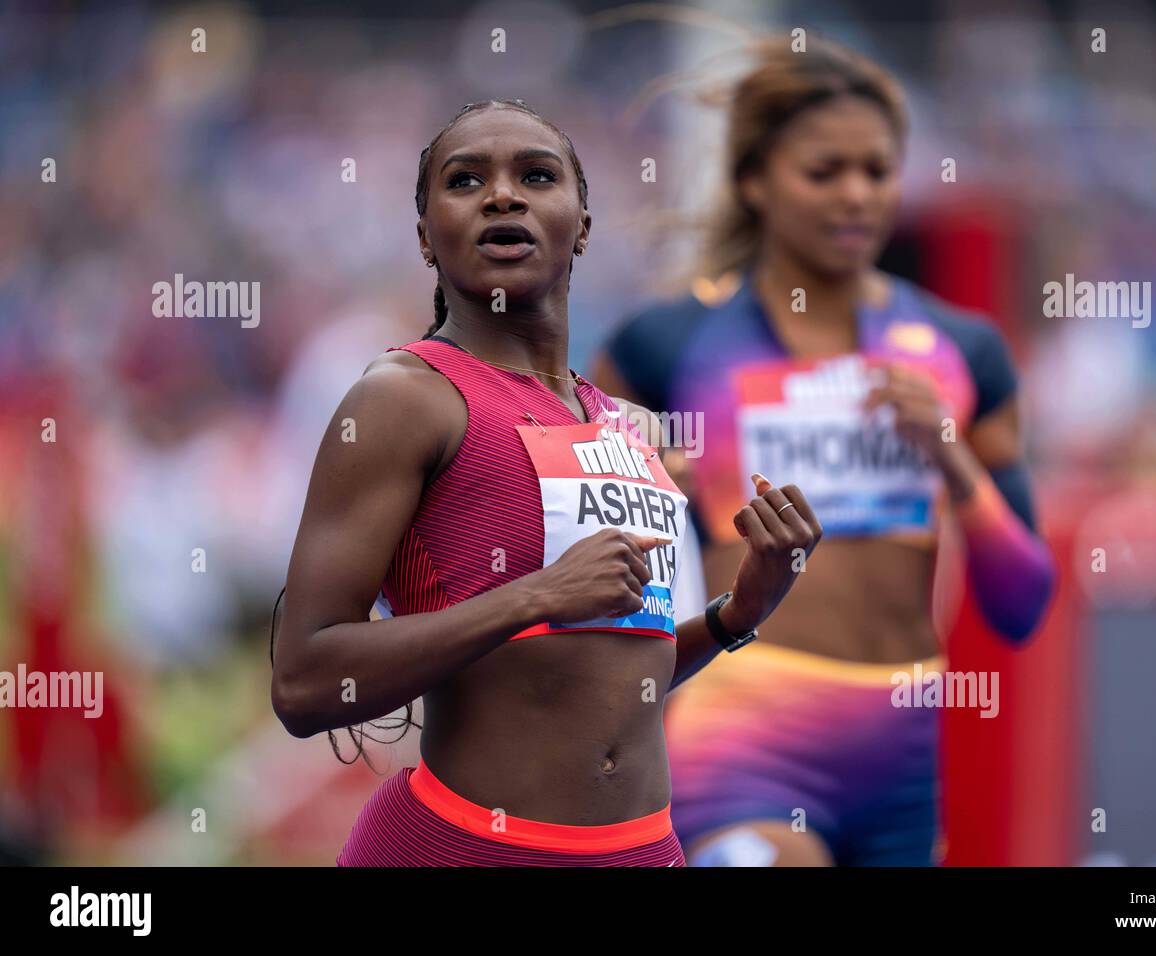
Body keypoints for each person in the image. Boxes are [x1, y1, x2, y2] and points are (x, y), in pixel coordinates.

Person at [269, 98, 821, 866]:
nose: (503, 195)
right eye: (465, 181)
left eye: (536, 175)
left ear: (583, 224)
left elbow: (611, 680)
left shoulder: (636, 430)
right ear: (426, 237)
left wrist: (737, 614)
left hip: (642, 850)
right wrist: (533, 595)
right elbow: (303, 686)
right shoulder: (403, 399)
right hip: (462, 847)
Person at [593, 39, 1055, 866]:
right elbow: (573, 546)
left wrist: (952, 459)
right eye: (825, 171)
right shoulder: (665, 343)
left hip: (902, 748)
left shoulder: (963, 351)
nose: (856, 195)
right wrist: (652, 482)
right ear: (753, 181)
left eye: (877, 172)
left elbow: (1021, 605)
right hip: (740, 727)